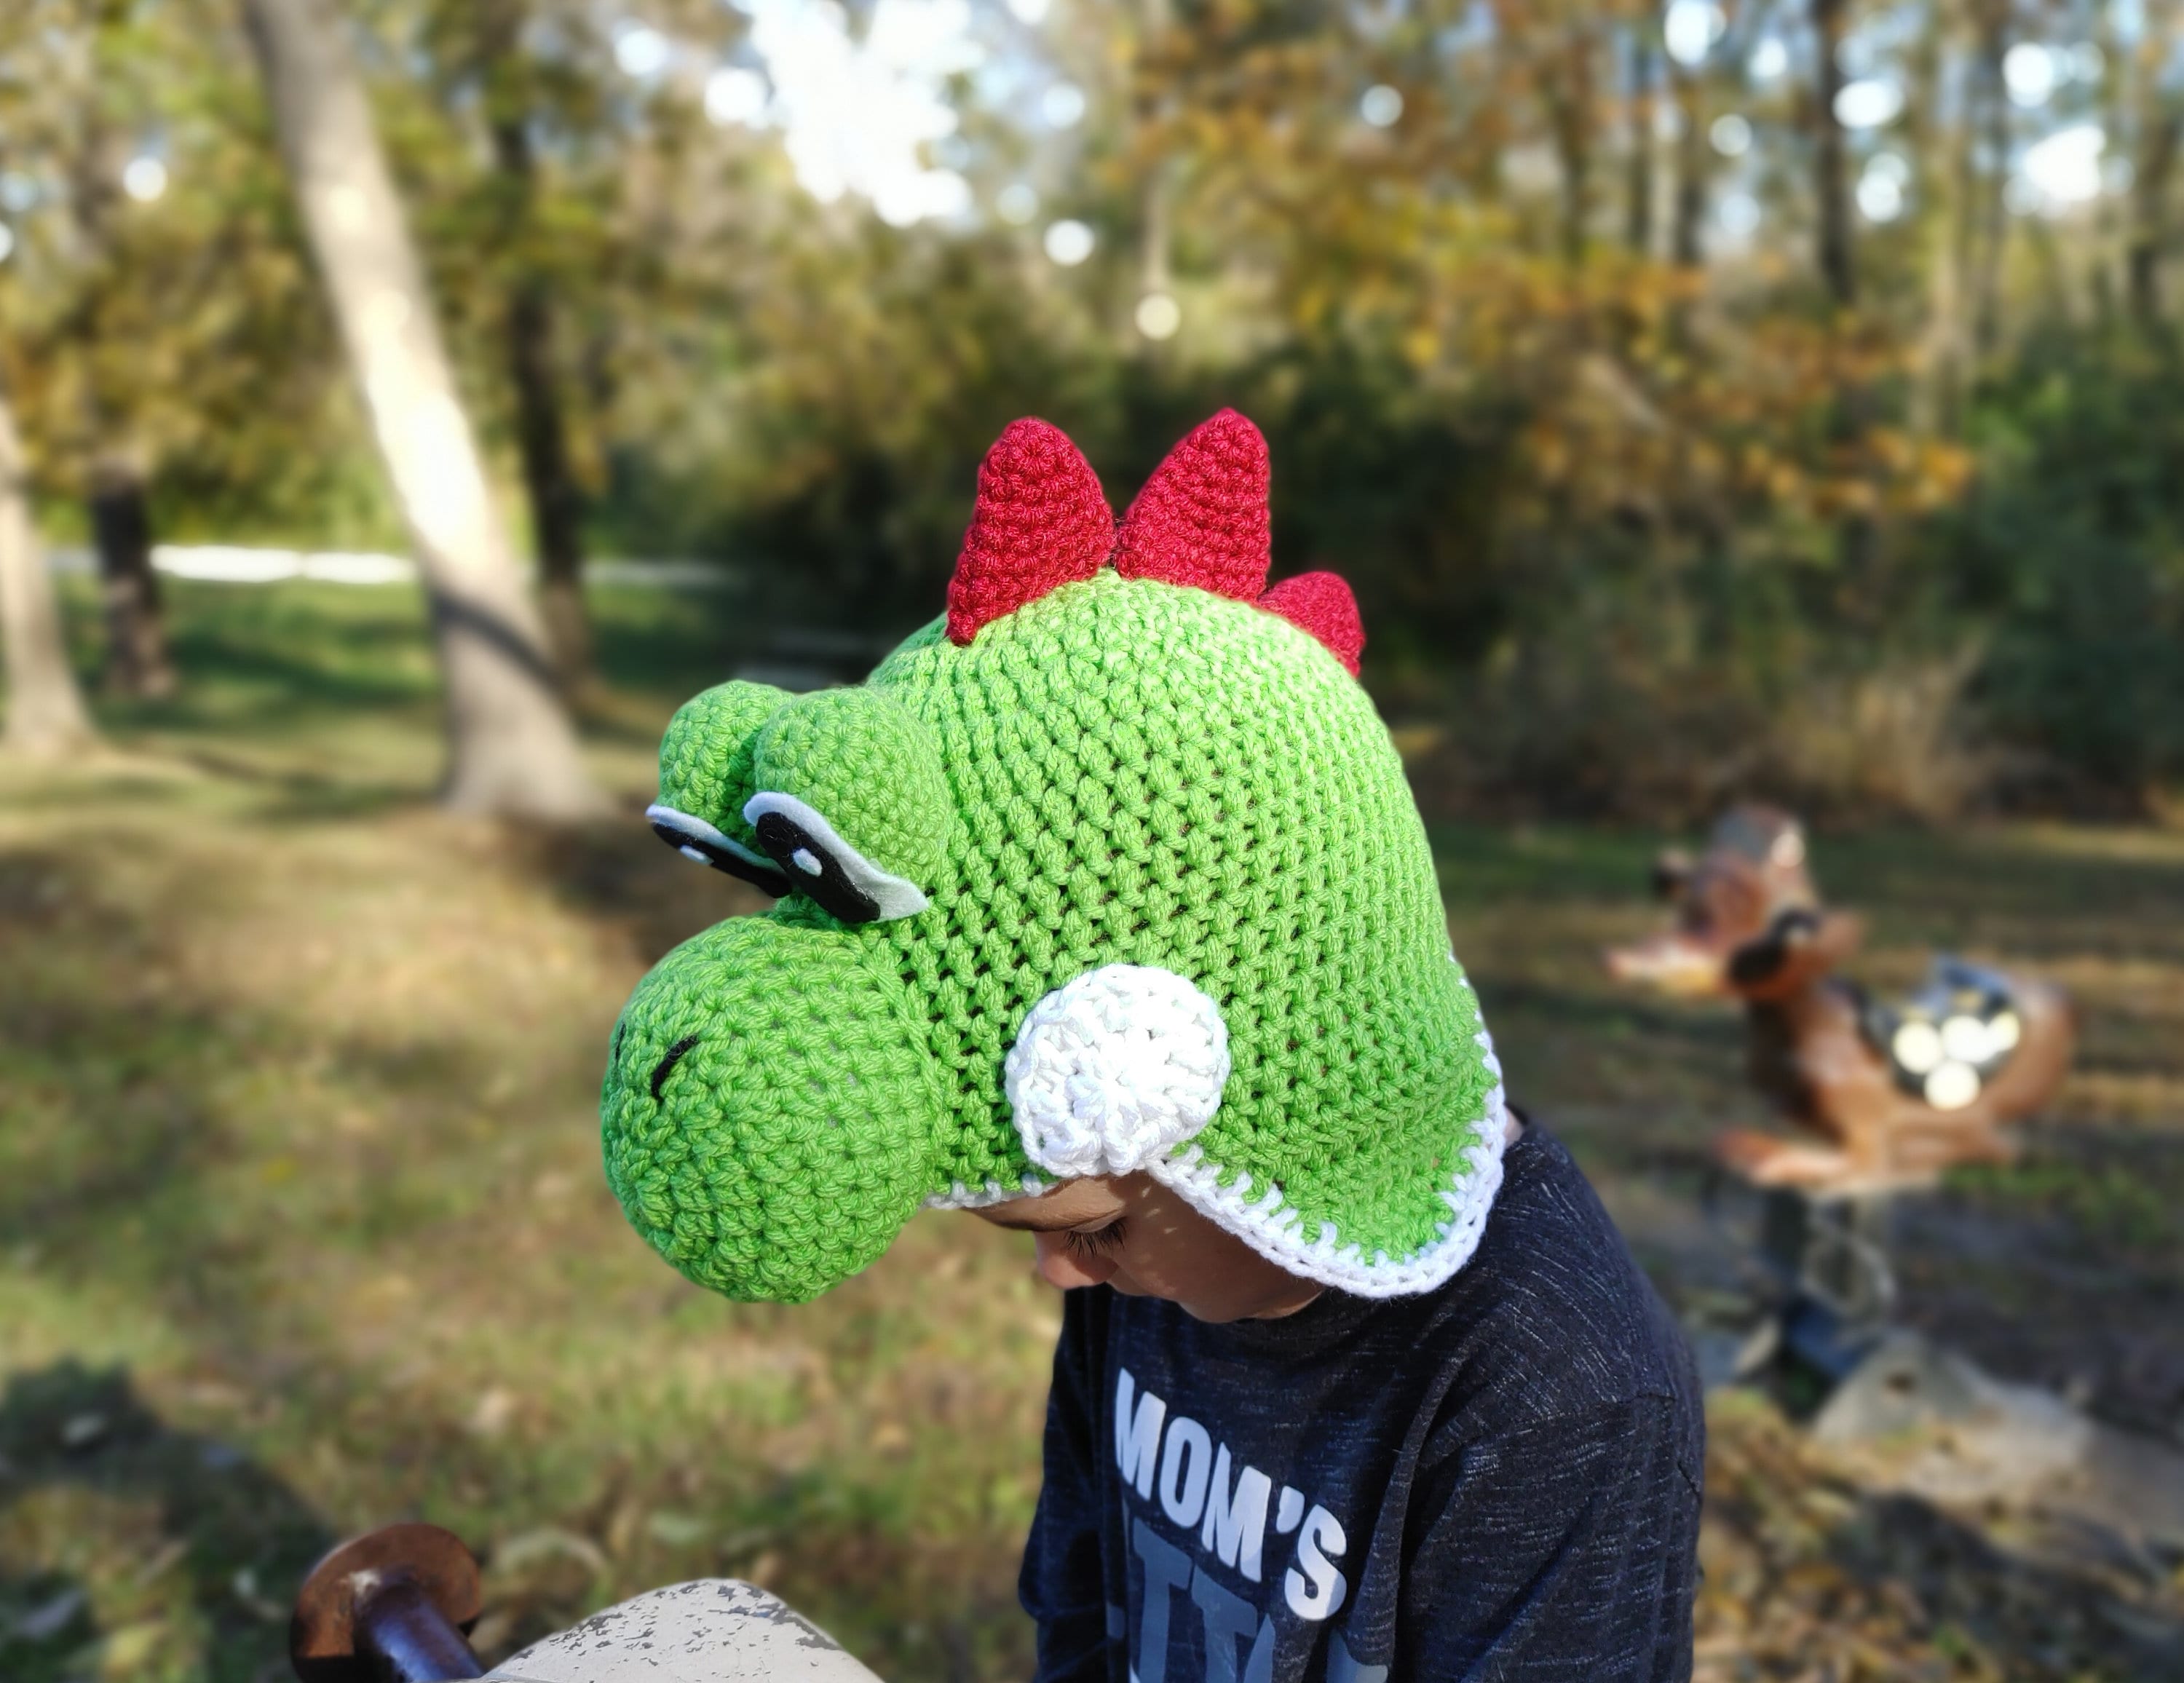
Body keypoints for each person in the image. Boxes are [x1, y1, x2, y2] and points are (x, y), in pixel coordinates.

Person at [598, 411, 1704, 1683]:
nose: (1059, 1280)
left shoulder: (1557, 1390)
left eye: (1091, 1233)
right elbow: (1078, 1608)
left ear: (1268, 1124)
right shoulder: (1152, 1256)